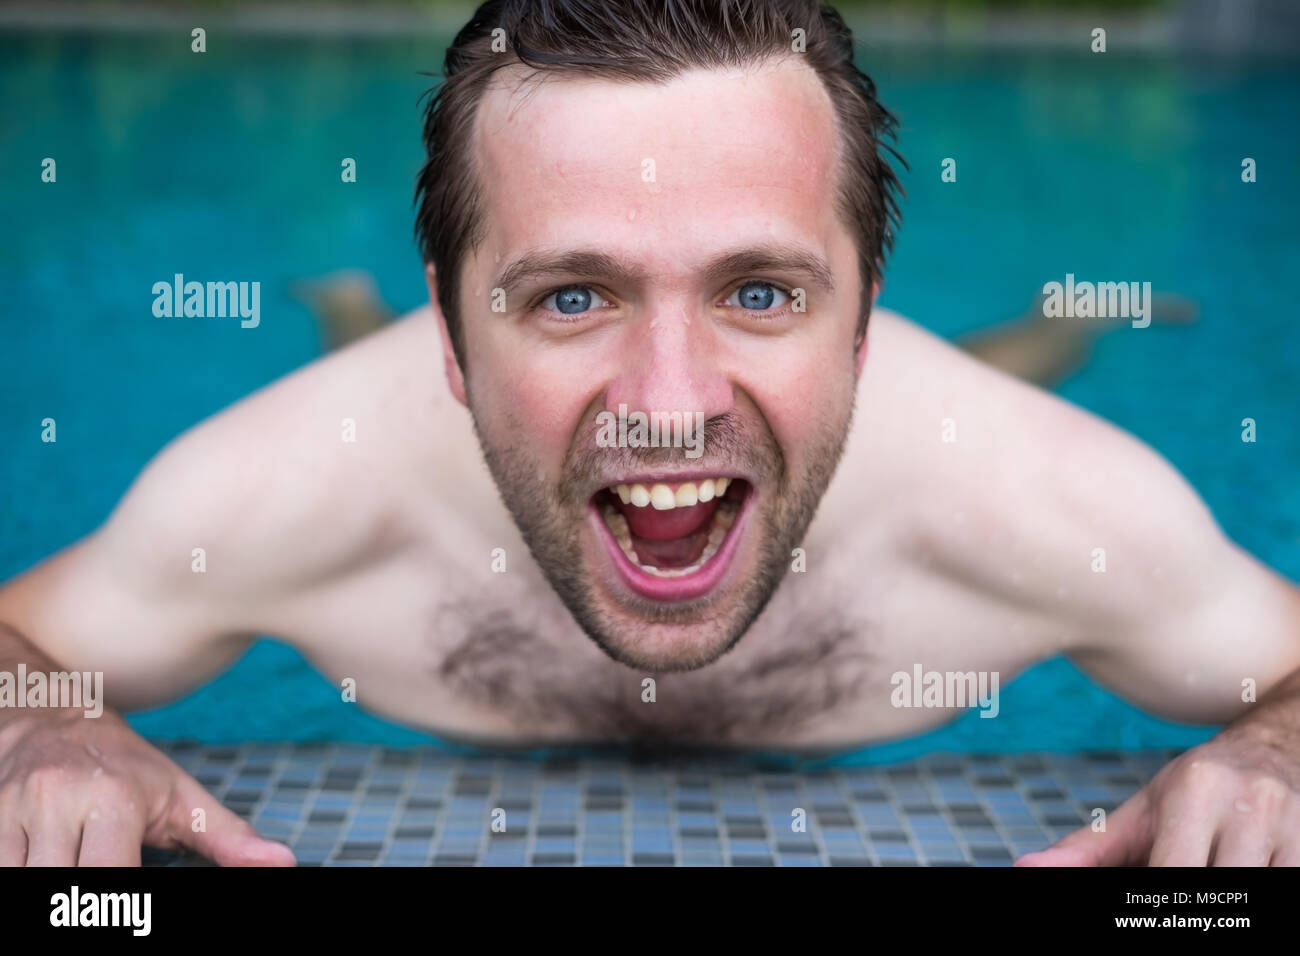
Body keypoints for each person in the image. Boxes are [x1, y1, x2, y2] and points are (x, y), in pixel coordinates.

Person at [0, 0, 1295, 867]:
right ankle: (356, 311)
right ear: (453, 343)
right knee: (373, 375)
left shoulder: (1054, 502)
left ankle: (1059, 321)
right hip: (400, 409)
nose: (668, 403)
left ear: (861, 333)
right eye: (574, 294)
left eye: (761, 292)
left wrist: (1269, 757)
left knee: (1017, 366)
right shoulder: (278, 490)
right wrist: (43, 731)